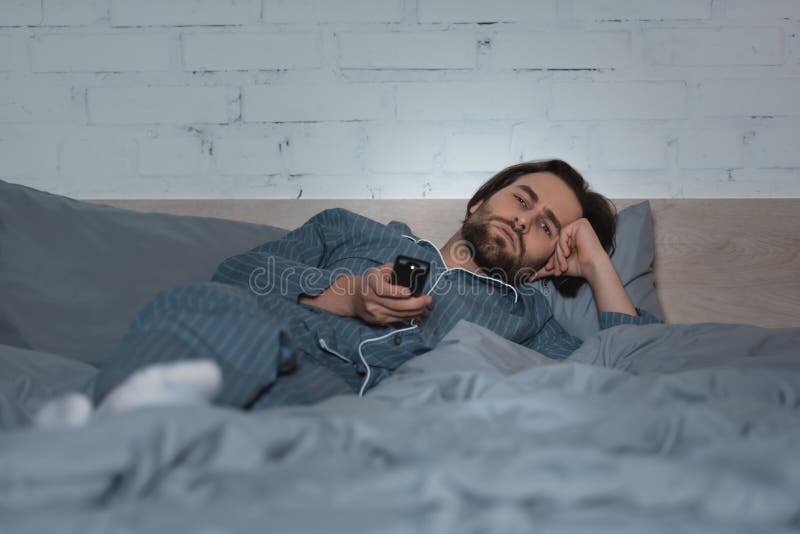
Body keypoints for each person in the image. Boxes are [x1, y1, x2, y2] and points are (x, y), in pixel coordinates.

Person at [35, 160, 660, 428]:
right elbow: (237, 273)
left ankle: (129, 435)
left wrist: (598, 264)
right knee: (203, 309)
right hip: (271, 338)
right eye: (522, 200)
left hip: (350, 410)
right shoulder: (349, 230)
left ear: (546, 262)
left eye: (546, 226)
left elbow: (633, 372)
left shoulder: (527, 319)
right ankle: (118, 424)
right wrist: (342, 297)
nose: (525, 220)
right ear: (480, 201)